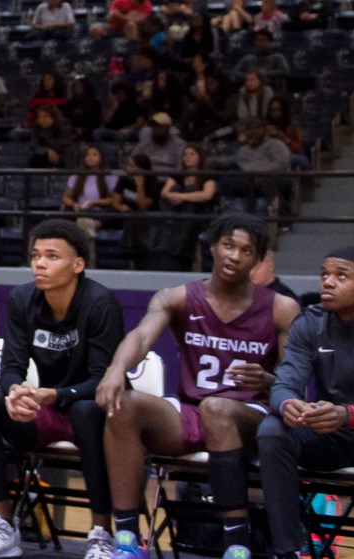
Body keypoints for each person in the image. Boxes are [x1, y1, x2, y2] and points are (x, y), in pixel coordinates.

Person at [91, 214, 299, 559]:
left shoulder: (281, 308)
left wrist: (266, 379)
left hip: (252, 419)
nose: (234, 255)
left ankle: (237, 545)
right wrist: (115, 369)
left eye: (245, 251)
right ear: (214, 246)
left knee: (217, 408)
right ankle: (127, 541)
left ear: (258, 259)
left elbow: (293, 381)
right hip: (193, 411)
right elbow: (142, 335)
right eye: (228, 245)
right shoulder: (178, 297)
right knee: (124, 404)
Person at [0, 219, 123, 559]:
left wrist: (56, 395)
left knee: (86, 411)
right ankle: (2, 525)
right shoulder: (22, 298)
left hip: (95, 409)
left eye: (52, 256)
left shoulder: (101, 303)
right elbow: (11, 366)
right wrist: (15, 393)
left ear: (77, 265)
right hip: (49, 407)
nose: (40, 263)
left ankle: (102, 534)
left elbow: (102, 379)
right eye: (35, 255)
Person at [258, 247, 354, 559]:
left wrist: (350, 415)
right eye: (324, 274)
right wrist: (288, 406)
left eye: (341, 276)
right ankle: (288, 551)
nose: (327, 282)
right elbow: (284, 384)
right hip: (329, 434)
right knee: (272, 429)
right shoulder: (310, 322)